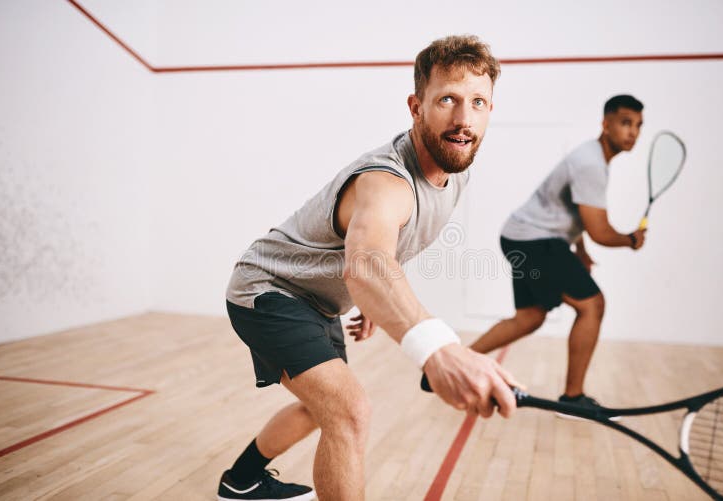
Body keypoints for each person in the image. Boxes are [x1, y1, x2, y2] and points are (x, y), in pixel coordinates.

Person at [220, 35, 520, 501]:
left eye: (477, 102)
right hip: (268, 289)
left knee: (319, 406)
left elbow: (385, 247)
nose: (463, 120)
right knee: (349, 411)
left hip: (317, 301)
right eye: (447, 100)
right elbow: (368, 261)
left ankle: (241, 481)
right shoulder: (386, 180)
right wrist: (437, 349)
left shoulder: (453, 166)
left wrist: (378, 301)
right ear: (416, 106)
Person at [469, 94, 646, 416]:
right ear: (606, 125)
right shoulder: (592, 164)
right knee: (593, 305)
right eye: (625, 123)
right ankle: (573, 399)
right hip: (535, 241)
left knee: (530, 316)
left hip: (520, 237)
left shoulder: (593, 157)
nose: (632, 132)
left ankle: (459, 364)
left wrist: (580, 251)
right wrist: (631, 239)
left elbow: (574, 215)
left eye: (637, 126)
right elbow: (600, 230)